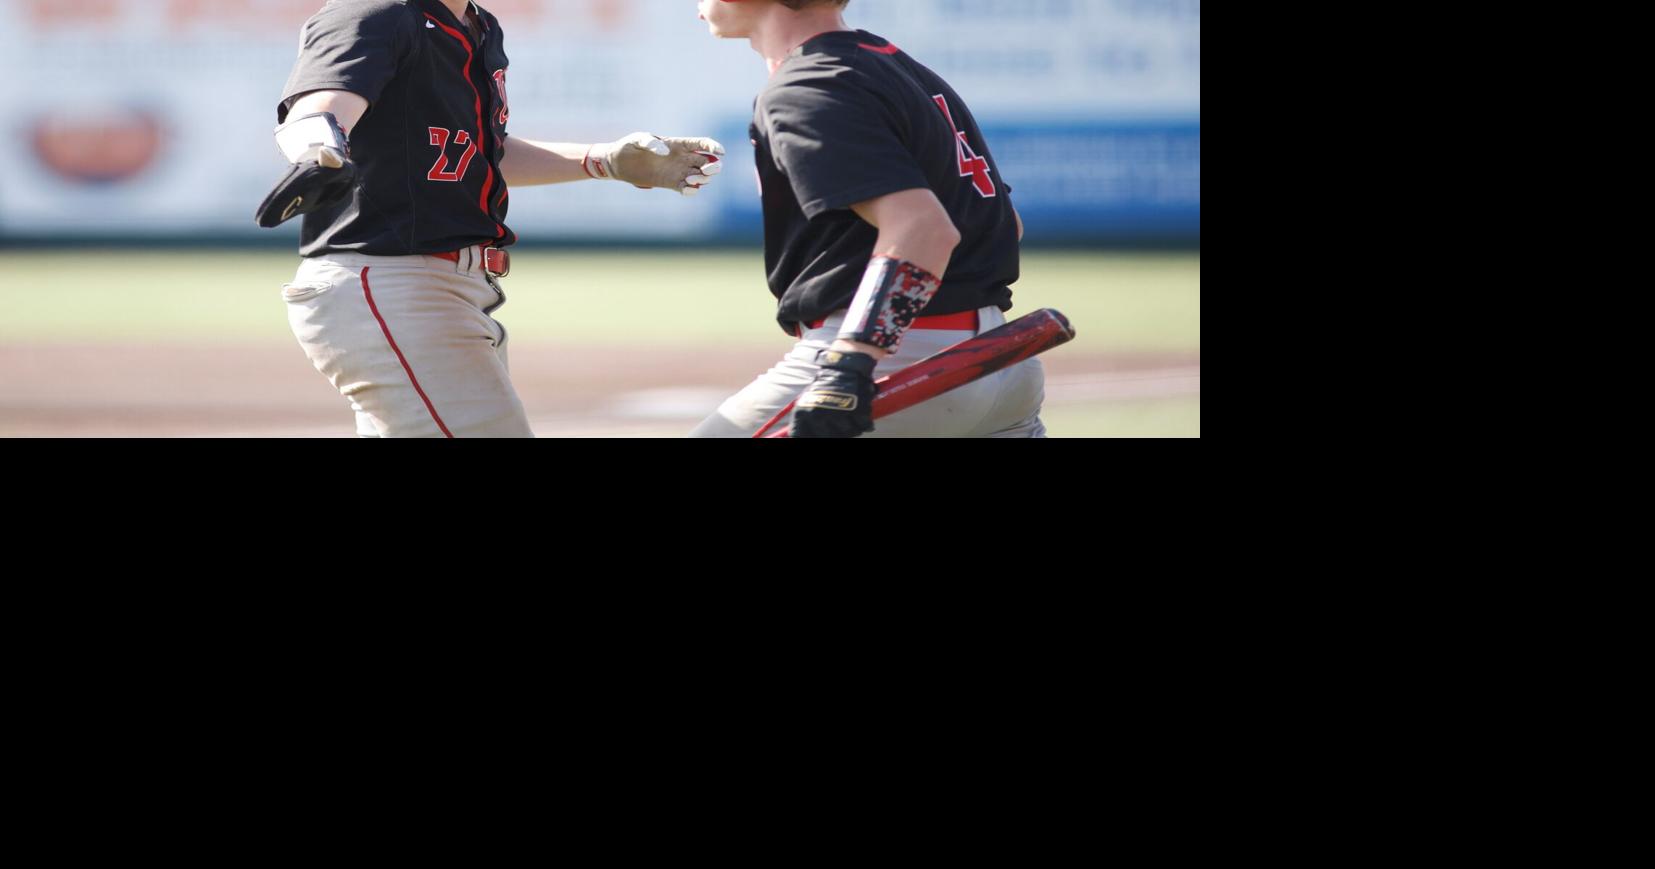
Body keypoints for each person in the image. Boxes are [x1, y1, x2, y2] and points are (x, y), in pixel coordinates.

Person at [258, 0, 725, 438]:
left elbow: (477, 156)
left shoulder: (477, 25)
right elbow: (319, 111)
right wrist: (319, 151)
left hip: (433, 289)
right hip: (390, 282)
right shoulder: (377, 11)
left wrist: (602, 161)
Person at [689, 0, 1045, 438]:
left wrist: (851, 361)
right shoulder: (896, 66)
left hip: (896, 362)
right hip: (1000, 360)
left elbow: (923, 228)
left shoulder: (809, 83)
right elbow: (1006, 223)